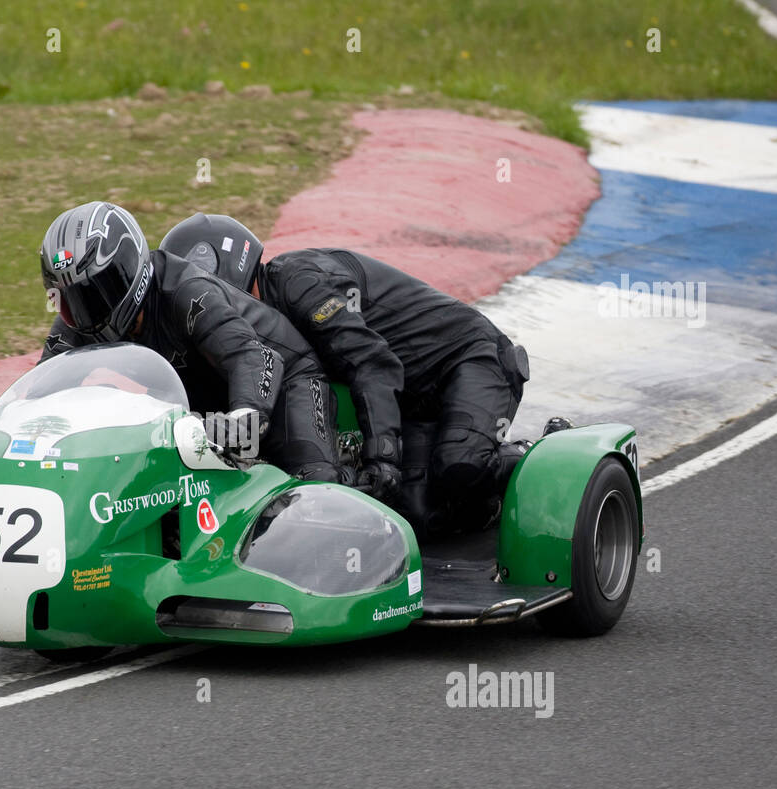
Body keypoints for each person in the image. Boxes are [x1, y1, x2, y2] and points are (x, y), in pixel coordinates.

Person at [160, 212, 545, 537]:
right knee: (415, 512)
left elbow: (372, 363)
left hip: (470, 358)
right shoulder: (261, 326)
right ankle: (480, 500)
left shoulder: (299, 279)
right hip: (410, 400)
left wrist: (384, 457)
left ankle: (530, 458)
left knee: (460, 463)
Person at [38, 201, 340, 481]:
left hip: (284, 379)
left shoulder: (186, 291)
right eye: (72, 300)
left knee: (314, 482)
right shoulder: (78, 322)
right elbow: (40, 386)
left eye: (98, 290)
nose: (87, 310)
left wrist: (243, 420)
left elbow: (254, 357)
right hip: (203, 410)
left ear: (130, 266)